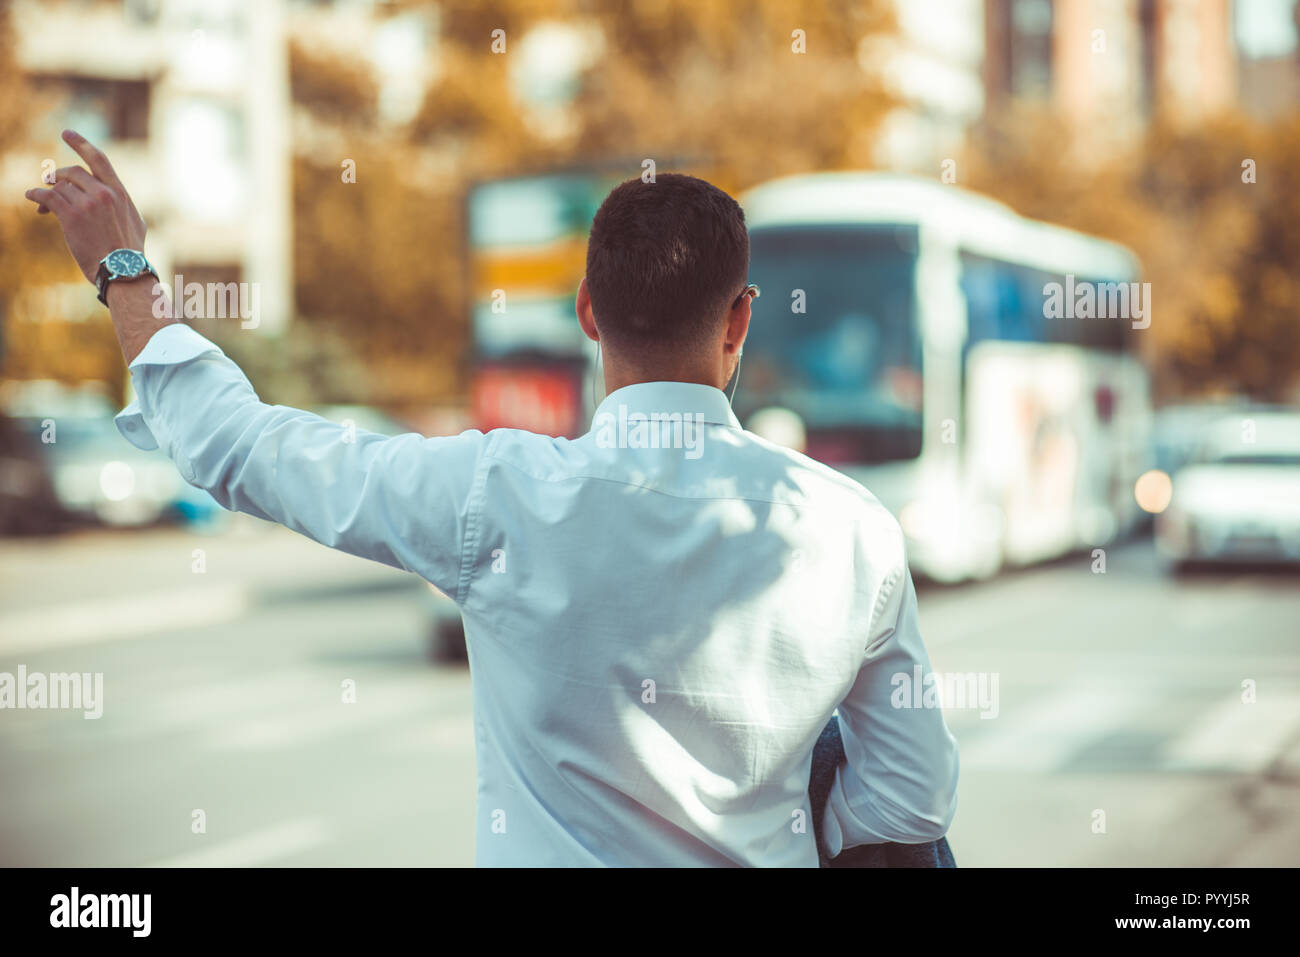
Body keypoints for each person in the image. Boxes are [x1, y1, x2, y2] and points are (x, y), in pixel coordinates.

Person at [26, 130, 959, 867]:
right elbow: (909, 800)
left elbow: (235, 442)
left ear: (588, 309)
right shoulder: (853, 529)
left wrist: (125, 271)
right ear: (741, 318)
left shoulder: (495, 495)